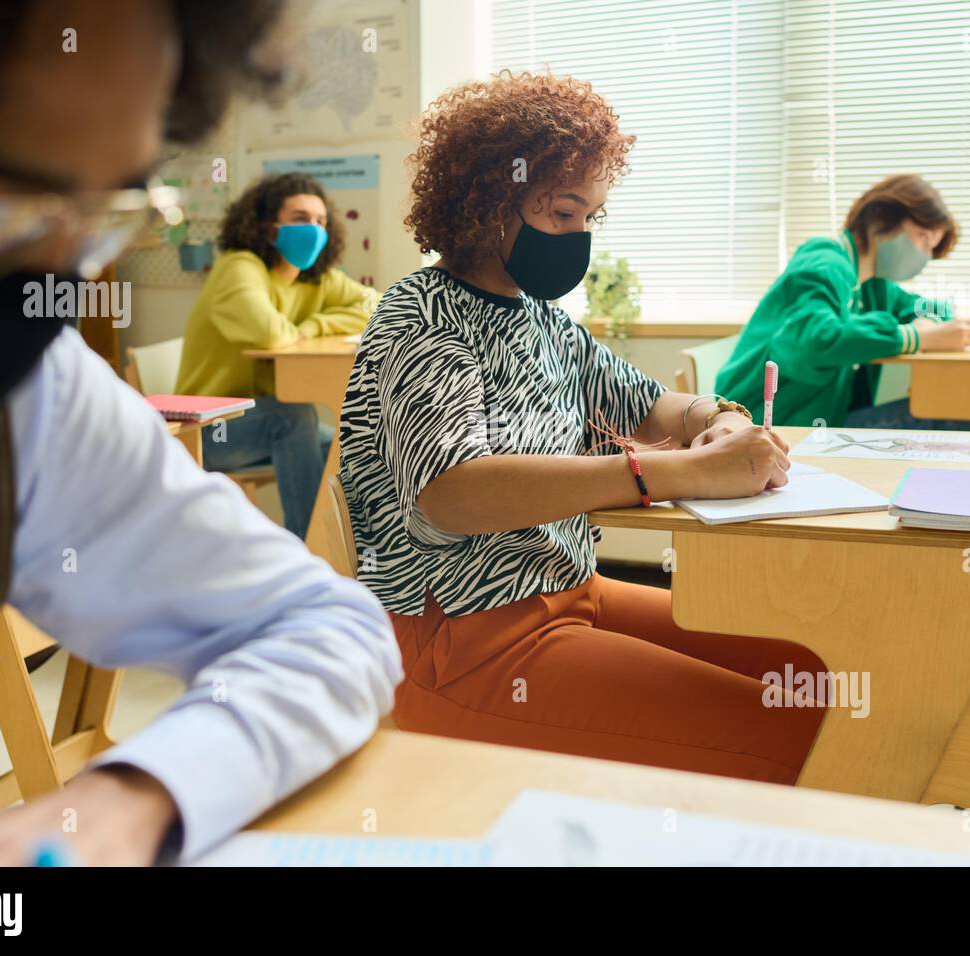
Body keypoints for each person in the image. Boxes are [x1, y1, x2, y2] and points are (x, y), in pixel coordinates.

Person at [0, 0, 400, 866]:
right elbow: (272, 333)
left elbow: (323, 628)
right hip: (219, 428)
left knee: (302, 424)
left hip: (228, 430)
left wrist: (134, 797)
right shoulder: (238, 271)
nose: (46, 288)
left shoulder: (23, 395)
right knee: (301, 426)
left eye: (96, 210)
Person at [338, 71, 826, 786]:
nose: (579, 237)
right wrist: (673, 472)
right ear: (487, 202)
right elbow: (451, 493)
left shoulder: (544, 323)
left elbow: (652, 403)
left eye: (590, 218)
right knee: (796, 731)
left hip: (571, 592)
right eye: (563, 214)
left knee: (816, 670)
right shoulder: (420, 316)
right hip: (464, 640)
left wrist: (717, 420)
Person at [176, 172, 375, 537]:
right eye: (300, 219)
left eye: (320, 221)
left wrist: (313, 325)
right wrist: (308, 326)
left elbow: (375, 305)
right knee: (292, 414)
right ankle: (310, 548)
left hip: (259, 424)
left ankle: (353, 552)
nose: (313, 230)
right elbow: (268, 331)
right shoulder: (239, 267)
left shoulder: (314, 278)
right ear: (268, 227)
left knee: (356, 441)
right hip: (205, 431)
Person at [715, 174, 970, 429]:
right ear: (881, 217)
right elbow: (815, 338)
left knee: (957, 410)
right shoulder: (824, 261)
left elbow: (930, 307)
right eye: (924, 238)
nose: (924, 256)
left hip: (824, 421)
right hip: (766, 425)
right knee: (958, 420)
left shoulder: (872, 286)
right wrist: (915, 338)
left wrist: (927, 322)